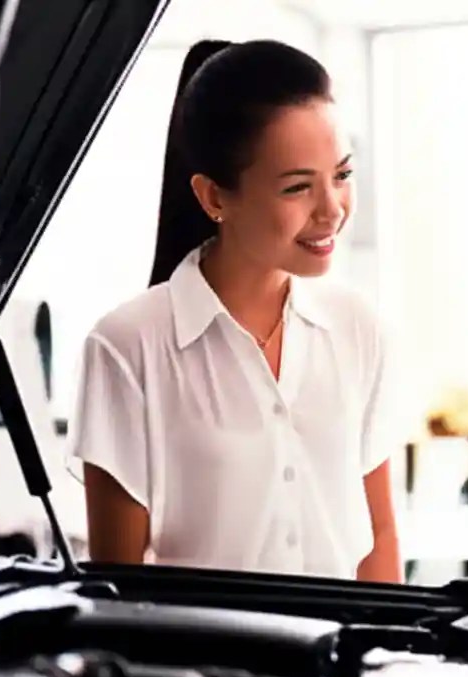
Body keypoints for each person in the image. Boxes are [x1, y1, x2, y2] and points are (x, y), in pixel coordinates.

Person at [67, 39, 407, 583]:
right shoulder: (127, 346)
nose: (332, 211)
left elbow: (379, 537)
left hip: (342, 657)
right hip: (201, 664)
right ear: (214, 198)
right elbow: (118, 586)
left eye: (342, 176)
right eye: (298, 186)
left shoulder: (360, 328)